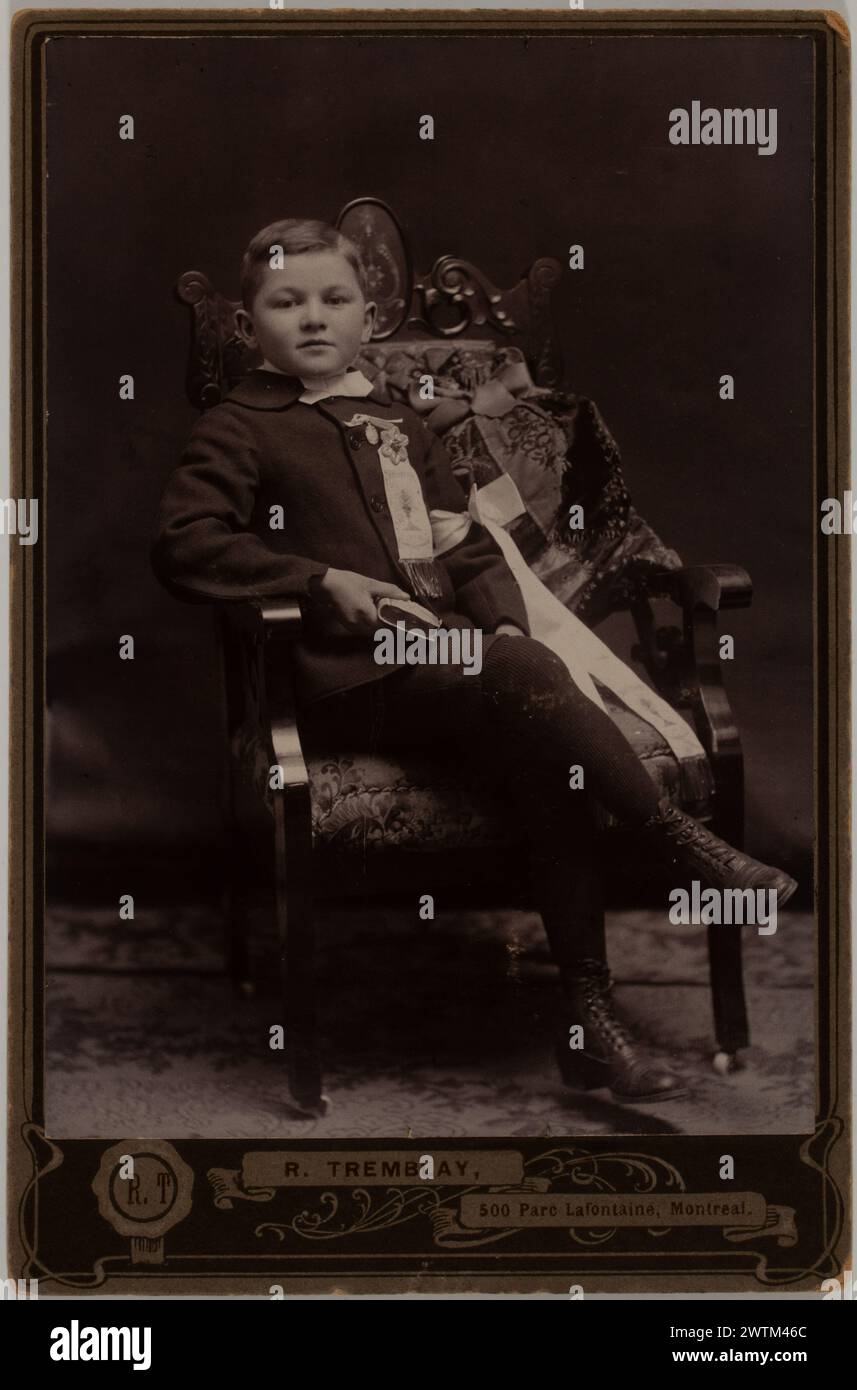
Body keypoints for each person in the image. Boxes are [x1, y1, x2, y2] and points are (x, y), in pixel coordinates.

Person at [151, 218, 797, 1105]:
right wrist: (313, 577)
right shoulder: (241, 427)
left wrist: (495, 625)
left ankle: (590, 1026)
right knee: (527, 682)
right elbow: (185, 545)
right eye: (284, 301)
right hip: (350, 683)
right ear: (248, 323)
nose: (312, 318)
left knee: (550, 758)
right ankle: (678, 843)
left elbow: (468, 549)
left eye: (333, 299)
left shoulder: (395, 421)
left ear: (368, 318)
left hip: (451, 672)